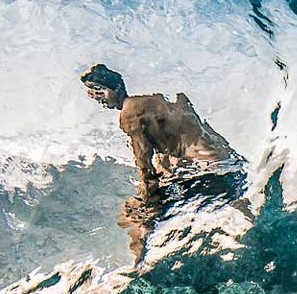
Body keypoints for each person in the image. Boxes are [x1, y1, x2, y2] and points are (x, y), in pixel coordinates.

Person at [79, 64, 248, 259]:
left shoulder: (128, 113)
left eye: (100, 90)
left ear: (117, 88)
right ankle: (248, 218)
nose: (97, 97)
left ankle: (139, 265)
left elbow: (144, 165)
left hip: (209, 178)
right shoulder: (155, 104)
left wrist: (150, 204)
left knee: (133, 211)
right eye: (92, 93)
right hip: (232, 171)